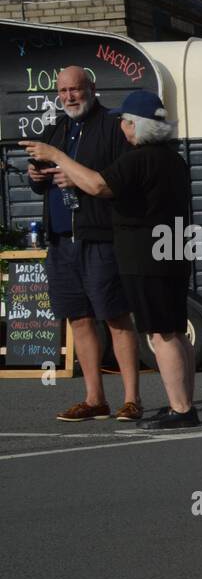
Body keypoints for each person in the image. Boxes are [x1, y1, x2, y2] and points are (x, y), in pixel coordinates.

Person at [25, 89, 198, 430]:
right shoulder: (172, 158)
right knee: (175, 330)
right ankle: (183, 403)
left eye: (125, 121)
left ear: (137, 125)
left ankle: (181, 409)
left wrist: (58, 156)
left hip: (147, 257)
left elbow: (98, 184)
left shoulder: (140, 158)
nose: (121, 126)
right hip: (172, 250)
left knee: (161, 334)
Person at [26, 66, 141, 422]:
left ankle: (132, 399)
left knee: (115, 318)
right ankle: (95, 399)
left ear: (91, 88)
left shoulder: (112, 125)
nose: (68, 97)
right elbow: (43, 182)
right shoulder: (56, 130)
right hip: (62, 241)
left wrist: (72, 174)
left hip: (100, 237)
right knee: (78, 319)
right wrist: (36, 177)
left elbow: (118, 179)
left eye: (74, 90)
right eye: (62, 91)